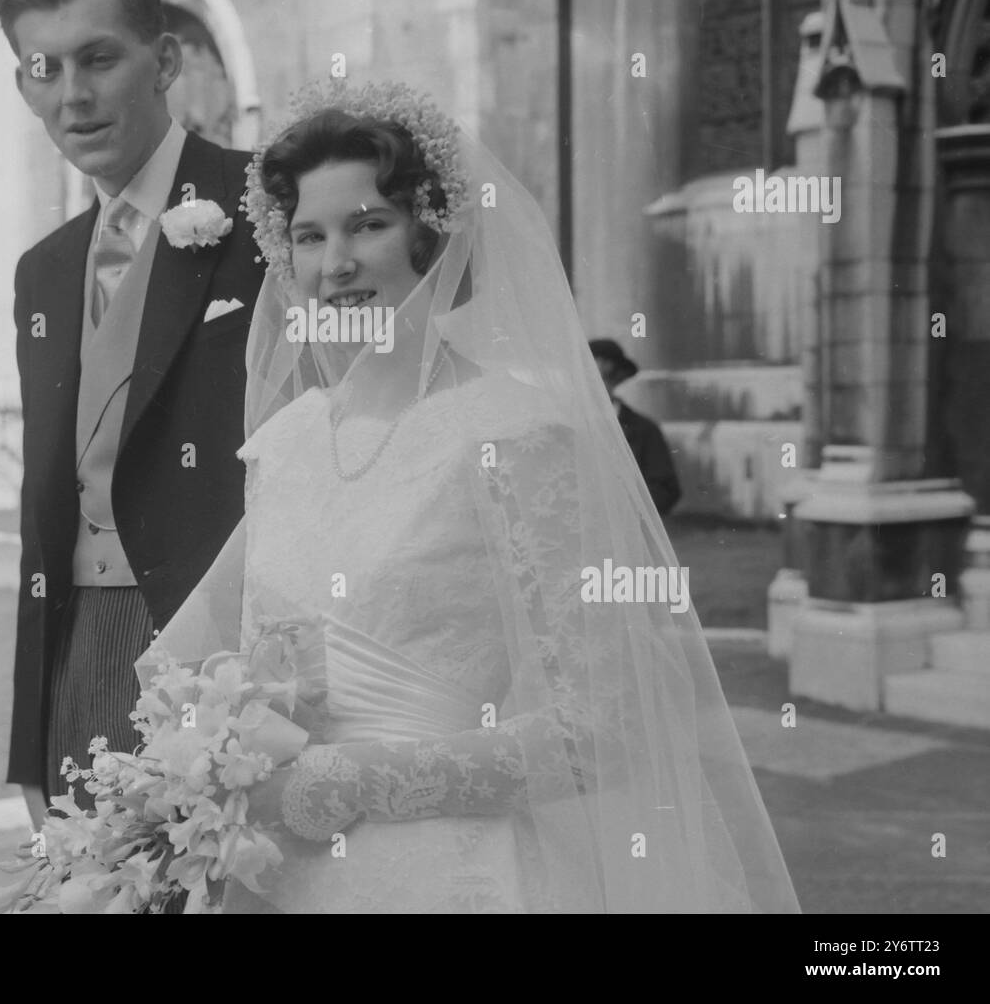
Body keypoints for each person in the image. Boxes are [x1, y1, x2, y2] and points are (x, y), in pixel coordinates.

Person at [139, 80, 799, 913]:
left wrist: (353, 778)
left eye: (368, 225)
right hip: (278, 874)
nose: (335, 263)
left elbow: (601, 728)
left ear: (432, 232)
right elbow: (193, 653)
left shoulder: (515, 432)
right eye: (309, 236)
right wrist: (193, 754)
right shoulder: (288, 440)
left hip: (449, 875)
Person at [0, 0, 265, 825]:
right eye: (45, 68)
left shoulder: (270, 208)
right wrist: (32, 736)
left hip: (235, 652)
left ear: (166, 62)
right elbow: (47, 513)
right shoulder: (44, 270)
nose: (73, 94)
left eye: (99, 57)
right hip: (82, 659)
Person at [589, 338, 682, 516]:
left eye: (604, 379)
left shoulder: (643, 429)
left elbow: (665, 488)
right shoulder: (564, 428)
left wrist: (627, 514)